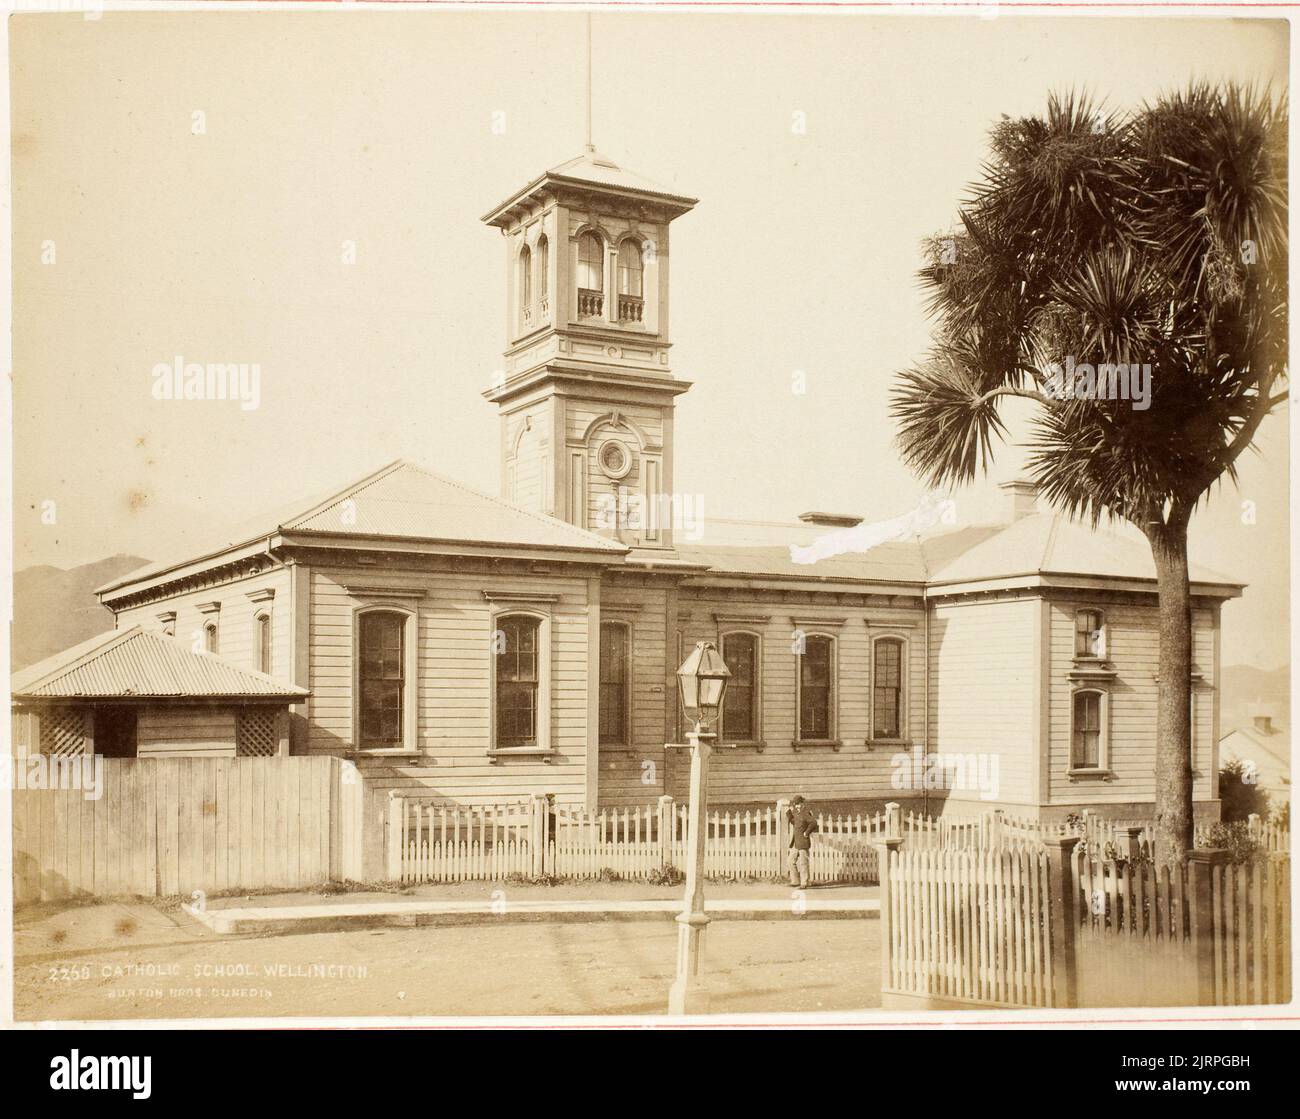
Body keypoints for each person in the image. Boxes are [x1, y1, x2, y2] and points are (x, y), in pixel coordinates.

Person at [786, 795, 817, 889]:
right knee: (790, 861)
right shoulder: (796, 812)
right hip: (796, 842)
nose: (797, 806)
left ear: (802, 803)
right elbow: (793, 822)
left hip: (803, 842)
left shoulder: (805, 813)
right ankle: (795, 881)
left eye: (798, 804)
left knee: (803, 863)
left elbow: (813, 823)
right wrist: (788, 813)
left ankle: (805, 883)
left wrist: (806, 833)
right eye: (796, 804)